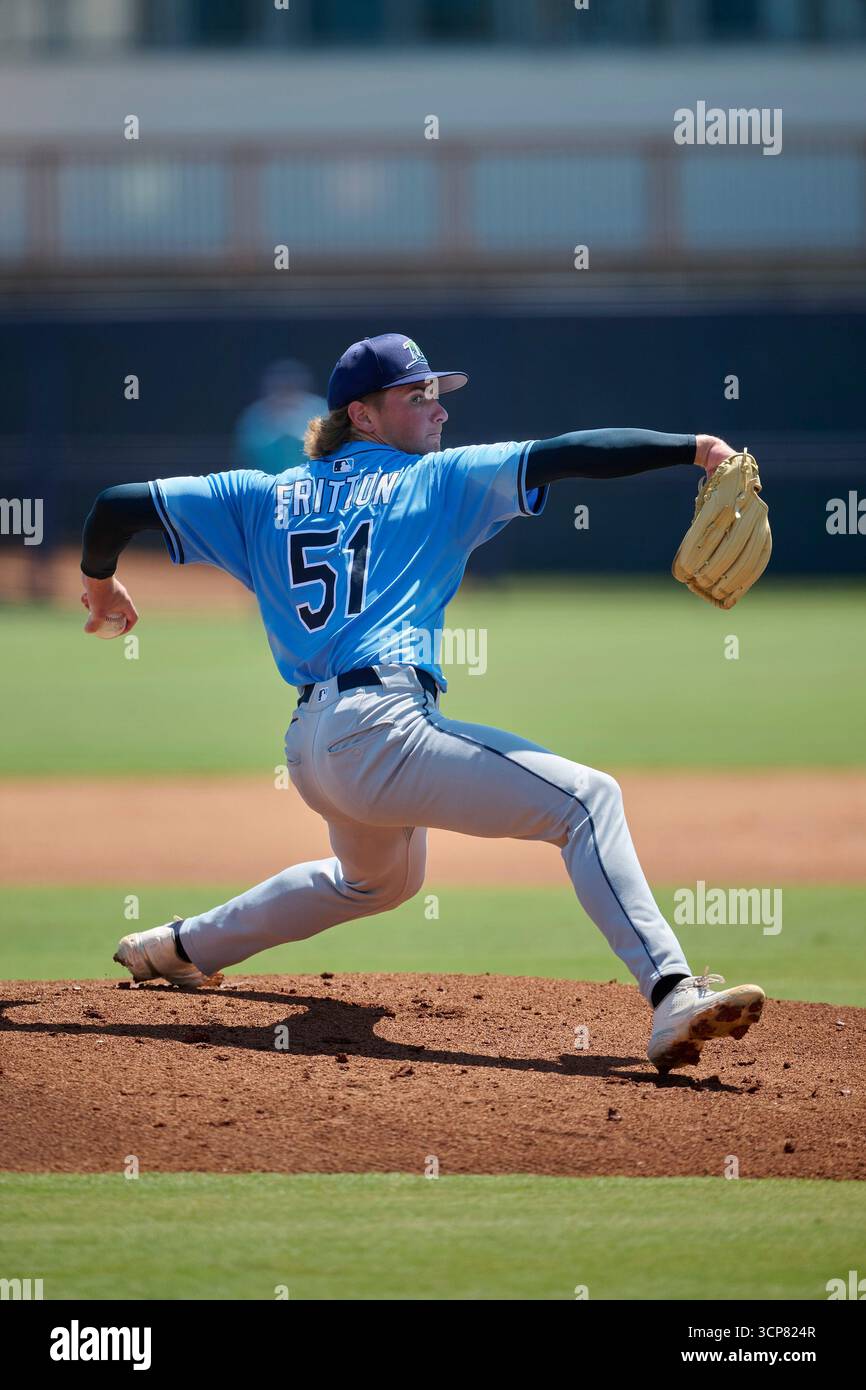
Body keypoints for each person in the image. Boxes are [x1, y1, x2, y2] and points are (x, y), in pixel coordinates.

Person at [80, 332, 765, 1073]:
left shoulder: (260, 494)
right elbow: (569, 453)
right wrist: (696, 448)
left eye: (436, 394)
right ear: (364, 416)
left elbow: (117, 506)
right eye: (416, 396)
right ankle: (672, 995)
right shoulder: (437, 481)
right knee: (588, 802)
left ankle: (179, 947)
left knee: (378, 883)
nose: (436, 411)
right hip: (382, 732)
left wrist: (98, 584)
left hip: (312, 745)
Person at [234, 359, 328, 476]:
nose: (285, 390)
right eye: (279, 386)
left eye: (291, 385)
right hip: (264, 487)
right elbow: (245, 456)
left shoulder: (321, 411)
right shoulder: (254, 416)